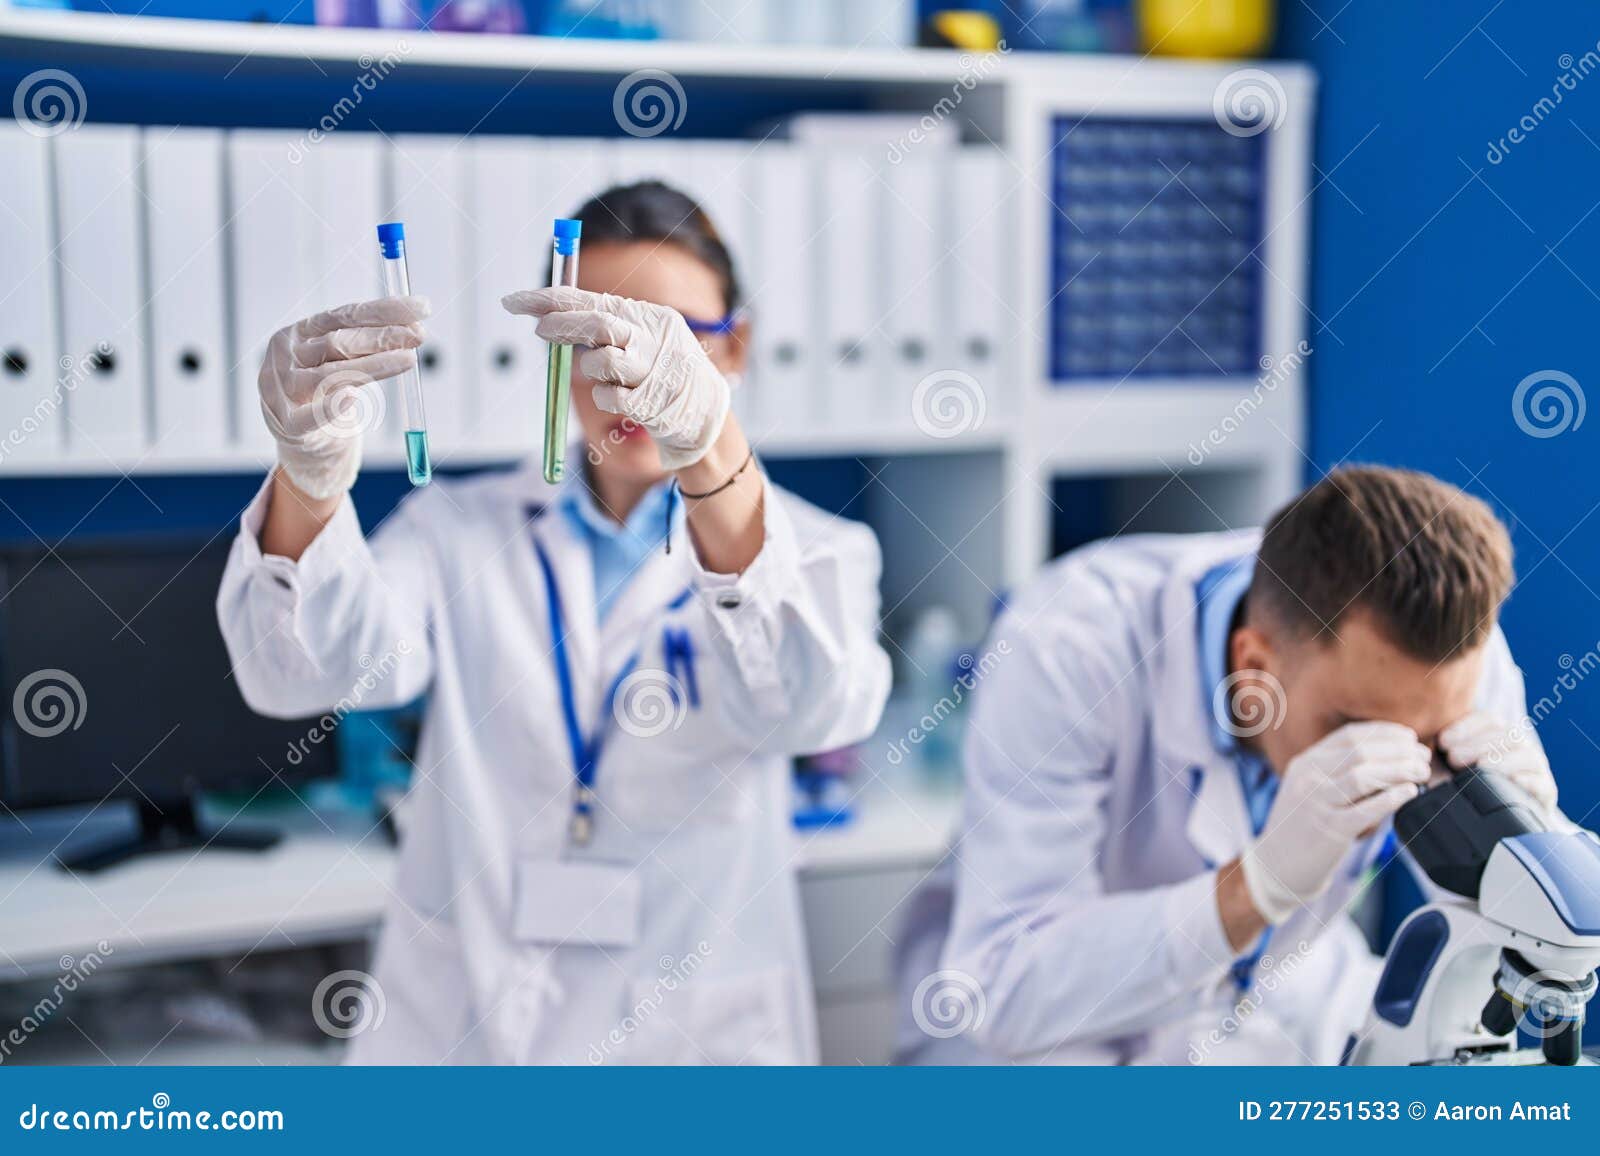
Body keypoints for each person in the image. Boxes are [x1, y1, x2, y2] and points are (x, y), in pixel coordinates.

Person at [217, 182, 892, 1064]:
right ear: (555, 354)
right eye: (599, 342)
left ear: (739, 347)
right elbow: (301, 673)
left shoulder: (817, 548)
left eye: (673, 339)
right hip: (467, 1024)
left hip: (691, 1036)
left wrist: (712, 462)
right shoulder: (455, 528)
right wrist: (307, 475)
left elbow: (811, 709)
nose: (629, 380)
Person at [899, 466, 1569, 1065]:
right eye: (1360, 731)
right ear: (1254, 667)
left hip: (1279, 1012)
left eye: (1434, 737)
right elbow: (1004, 989)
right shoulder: (1071, 646)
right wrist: (1258, 885)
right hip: (1045, 1043)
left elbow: (1495, 937)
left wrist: (1534, 862)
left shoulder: (1443, 661)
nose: (1406, 764)